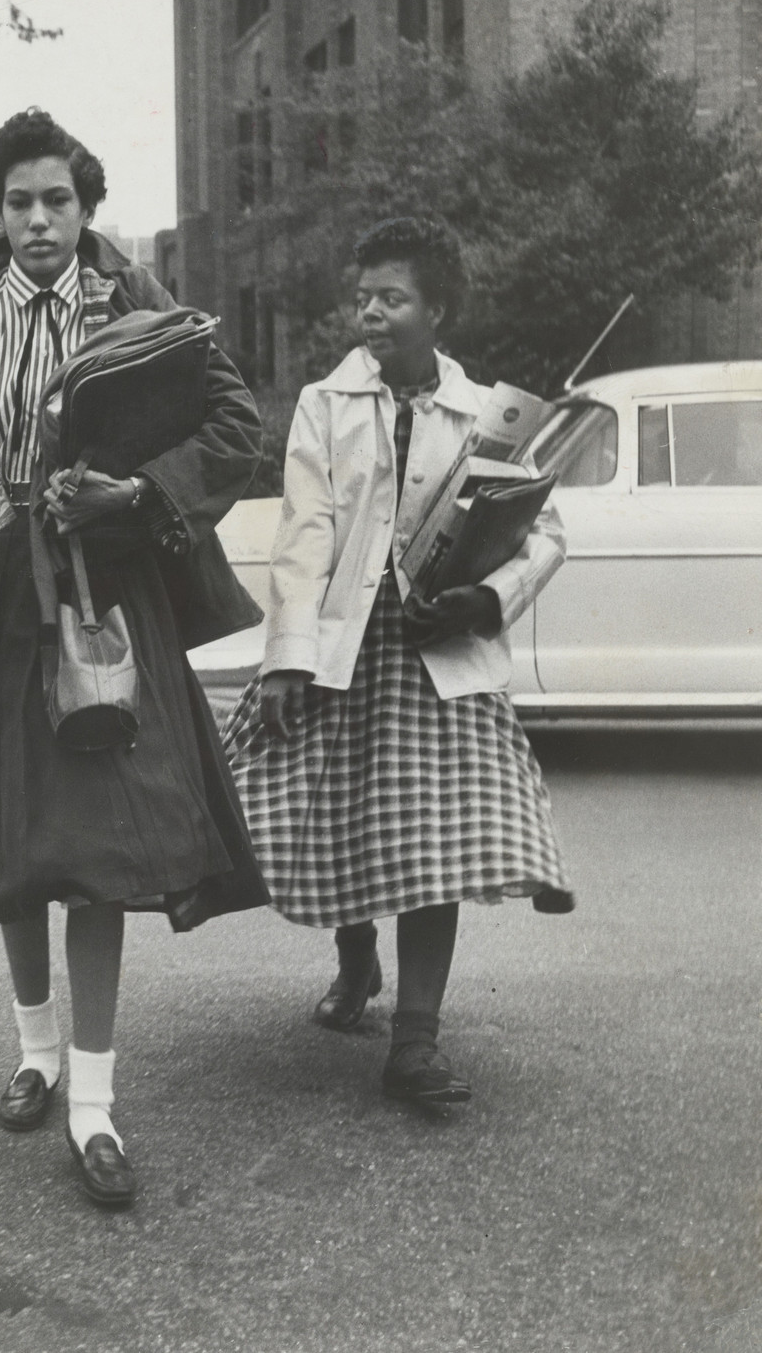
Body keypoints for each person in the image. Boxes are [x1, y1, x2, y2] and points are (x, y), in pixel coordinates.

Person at [0, 108, 268, 1209]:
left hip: (103, 593)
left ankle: (91, 1099)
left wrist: (141, 494)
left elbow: (233, 429)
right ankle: (33, 1048)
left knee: (94, 847)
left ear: (85, 208)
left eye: (56, 201)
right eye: (17, 201)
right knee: (9, 842)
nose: (37, 220)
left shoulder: (139, 306)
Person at [222, 217, 573, 1108]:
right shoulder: (323, 403)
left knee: (433, 839)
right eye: (363, 298)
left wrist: (489, 598)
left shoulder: (490, 414)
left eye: (393, 297)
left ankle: (415, 1041)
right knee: (344, 816)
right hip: (342, 644)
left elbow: (544, 530)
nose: (371, 314)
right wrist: (287, 659)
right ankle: (355, 959)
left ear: (438, 309)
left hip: (436, 652)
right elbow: (303, 533)